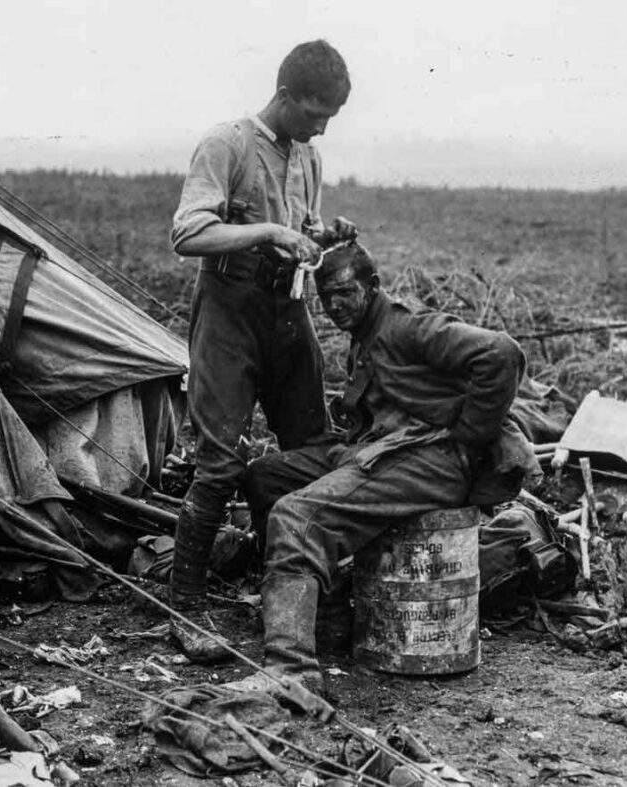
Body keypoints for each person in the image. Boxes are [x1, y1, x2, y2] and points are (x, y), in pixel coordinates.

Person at [228, 243, 537, 695]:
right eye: (326, 298)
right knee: (265, 478)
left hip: (431, 459)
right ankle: (324, 623)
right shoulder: (366, 335)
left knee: (297, 518)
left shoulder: (406, 326)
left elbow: (501, 354)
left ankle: (290, 669)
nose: (334, 306)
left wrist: (469, 437)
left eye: (344, 293)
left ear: (372, 287)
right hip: (383, 449)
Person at [168, 40, 358, 662]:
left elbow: (301, 228)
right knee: (220, 463)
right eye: (313, 112)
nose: (320, 126)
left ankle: (279, 573)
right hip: (229, 311)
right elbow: (188, 231)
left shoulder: (309, 156)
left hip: (287, 310)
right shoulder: (226, 143)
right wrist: (269, 232)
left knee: (311, 451)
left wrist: (319, 235)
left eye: (330, 116)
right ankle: (186, 607)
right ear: (282, 94)